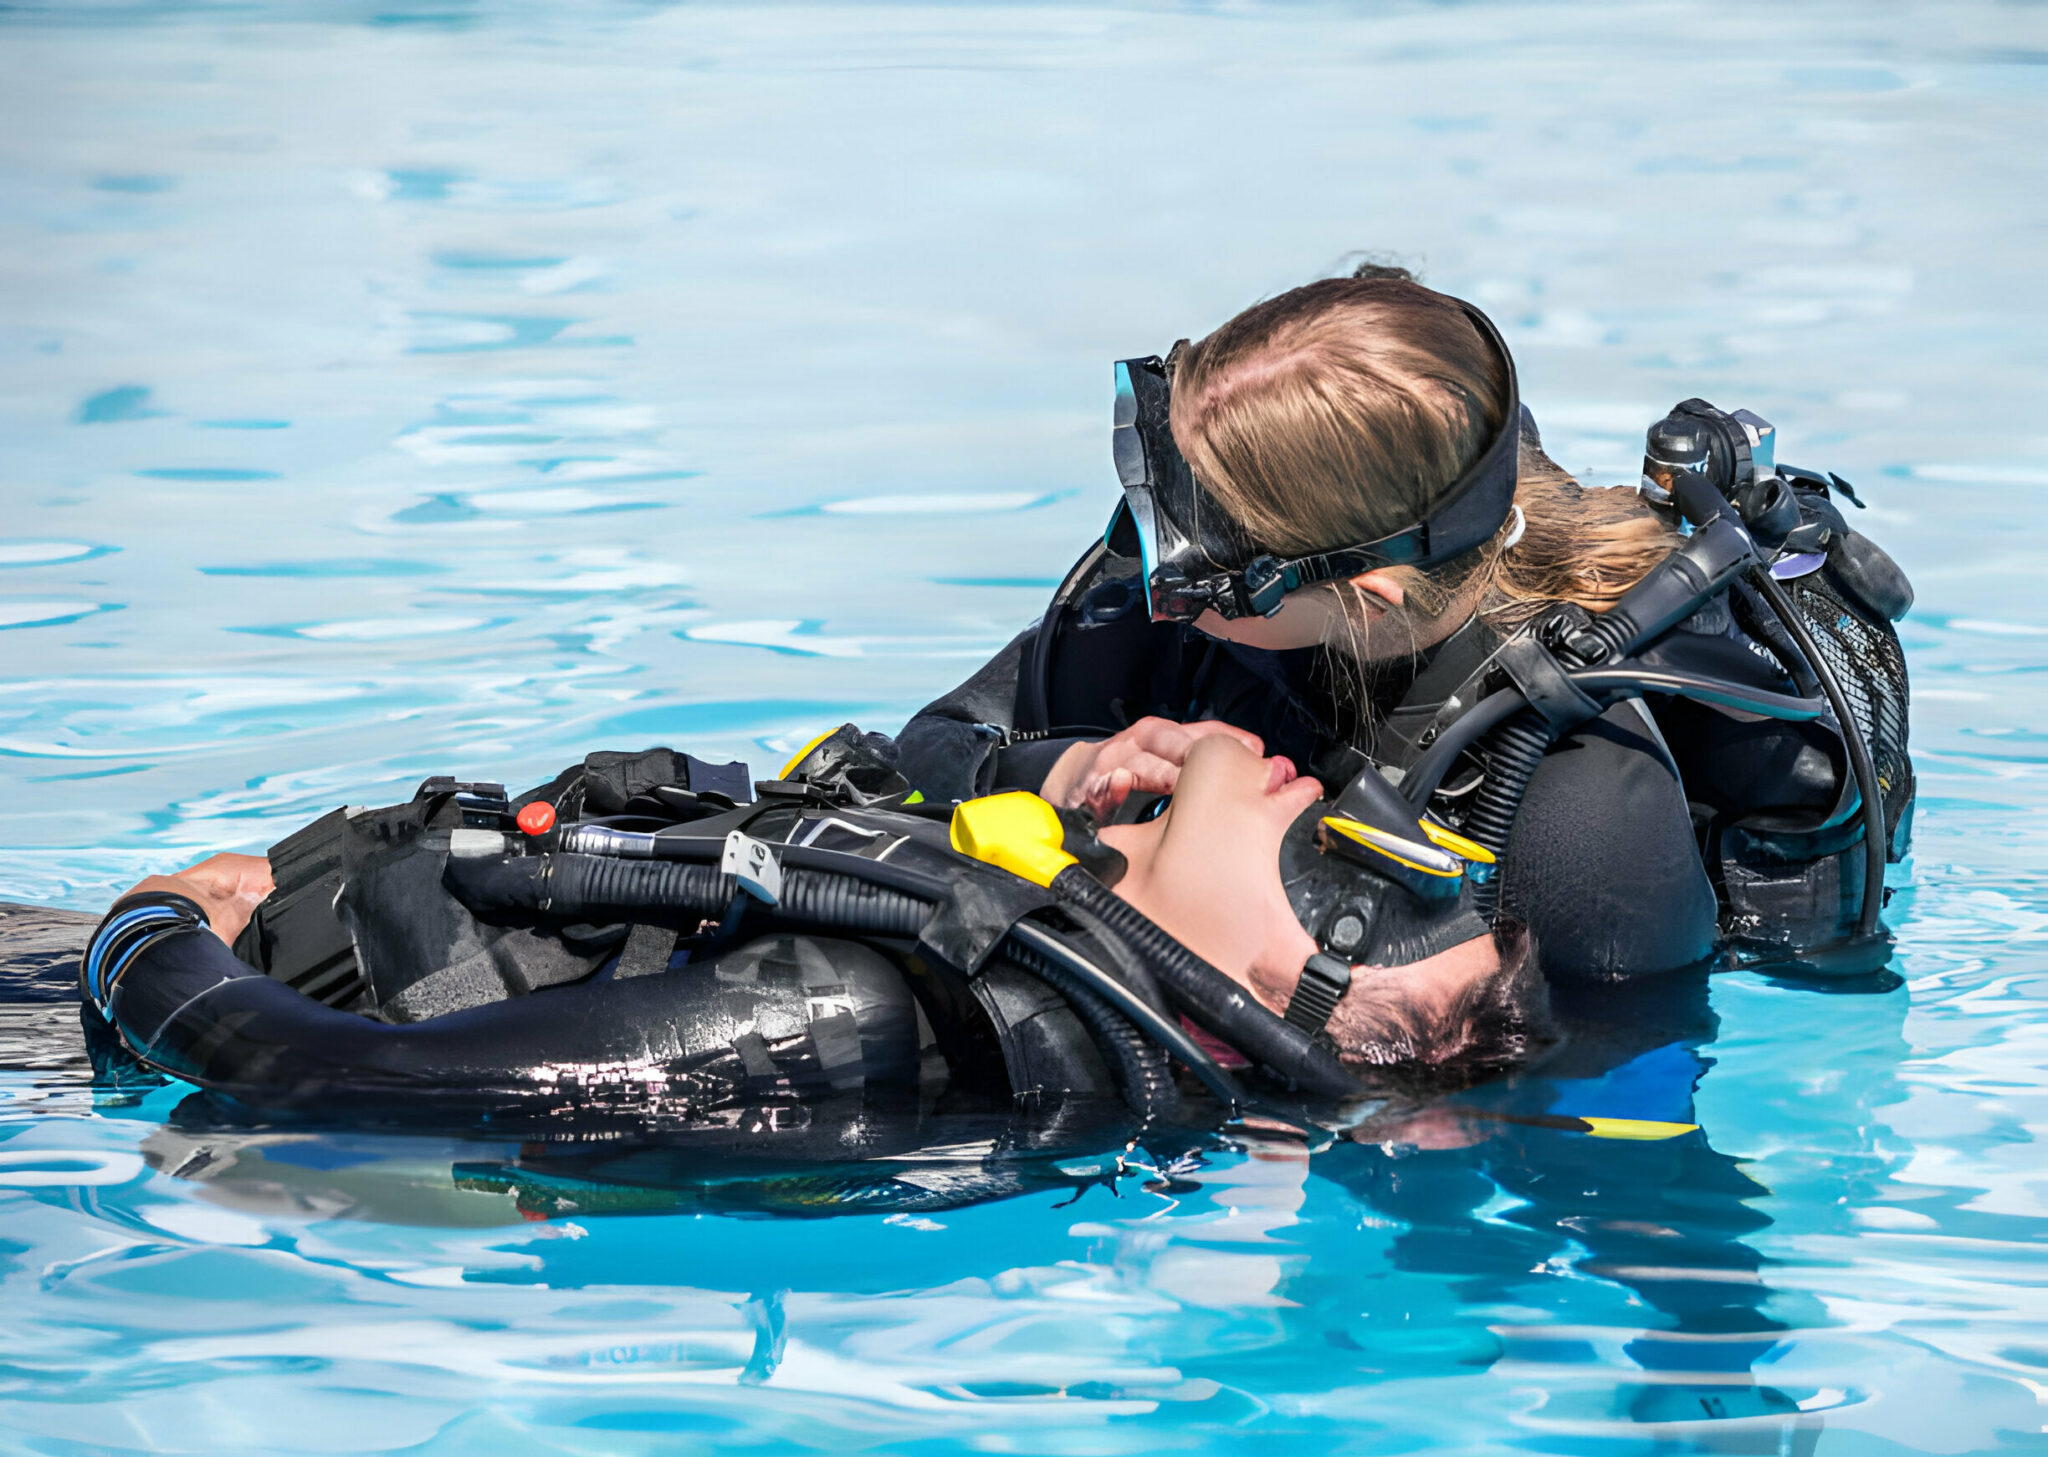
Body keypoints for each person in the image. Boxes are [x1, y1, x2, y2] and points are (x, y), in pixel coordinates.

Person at [895, 266, 1915, 977]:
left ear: (1364, 593)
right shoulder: (1220, 617)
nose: (1160, 571)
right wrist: (1058, 772)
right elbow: (920, 755)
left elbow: (1606, 1154)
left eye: (1204, 554)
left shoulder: (1580, 815)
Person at [80, 723, 1551, 1123]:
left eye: (1374, 901)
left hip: (88, 1025)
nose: (1372, 825)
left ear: (1243, 1004)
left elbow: (305, 1075)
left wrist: (153, 926)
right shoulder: (1010, 923)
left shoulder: (841, 1020)